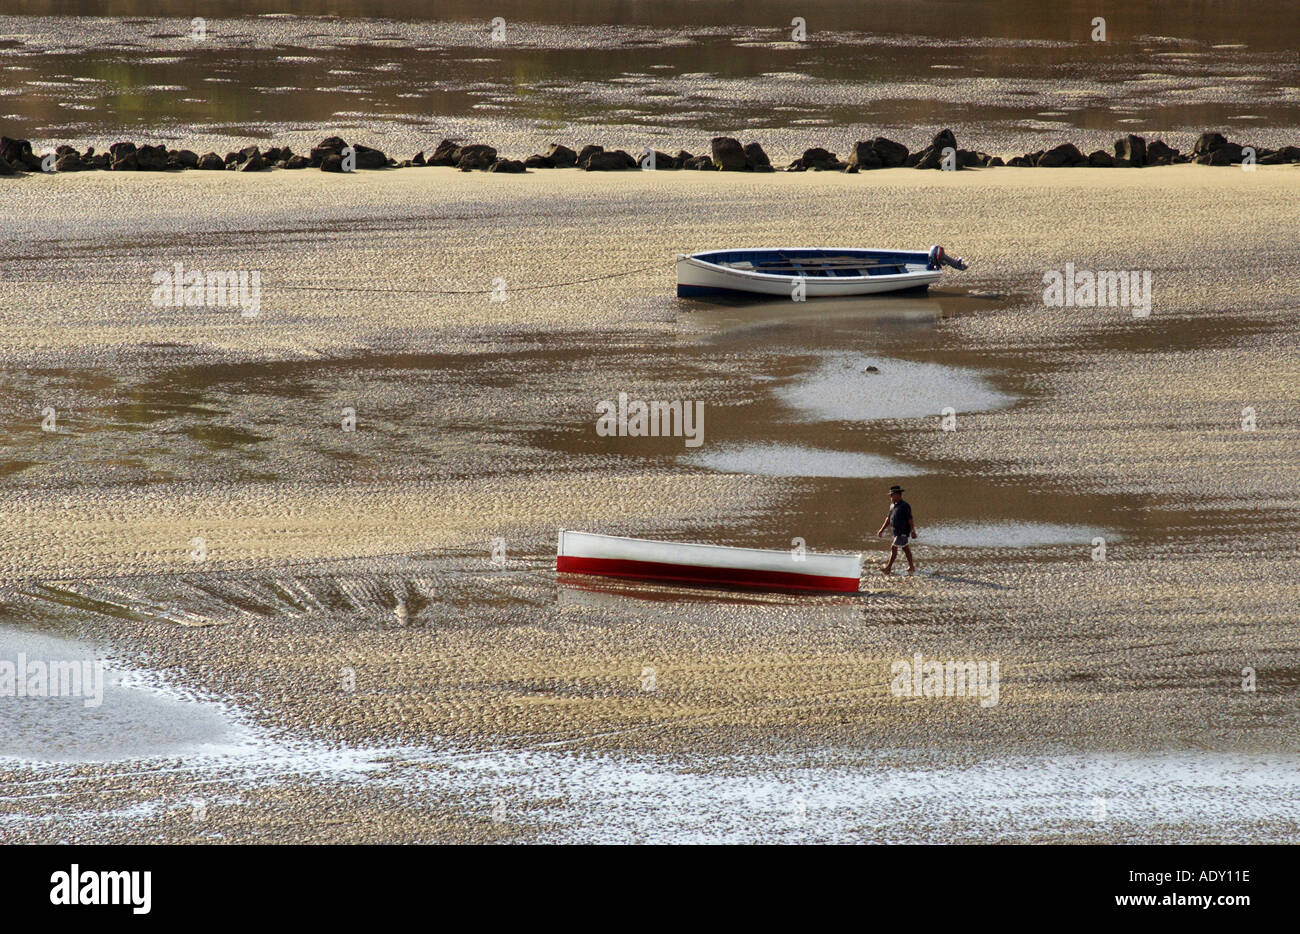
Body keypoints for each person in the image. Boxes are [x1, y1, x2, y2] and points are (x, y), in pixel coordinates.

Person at [876, 484, 917, 575]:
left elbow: (910, 519)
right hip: (896, 531)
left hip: (903, 531)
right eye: (890, 495)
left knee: (893, 547)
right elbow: (888, 519)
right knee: (906, 549)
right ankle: (911, 567)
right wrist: (881, 530)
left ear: (898, 495)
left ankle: (888, 568)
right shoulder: (892, 506)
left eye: (892, 495)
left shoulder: (905, 506)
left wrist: (913, 531)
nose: (891, 497)